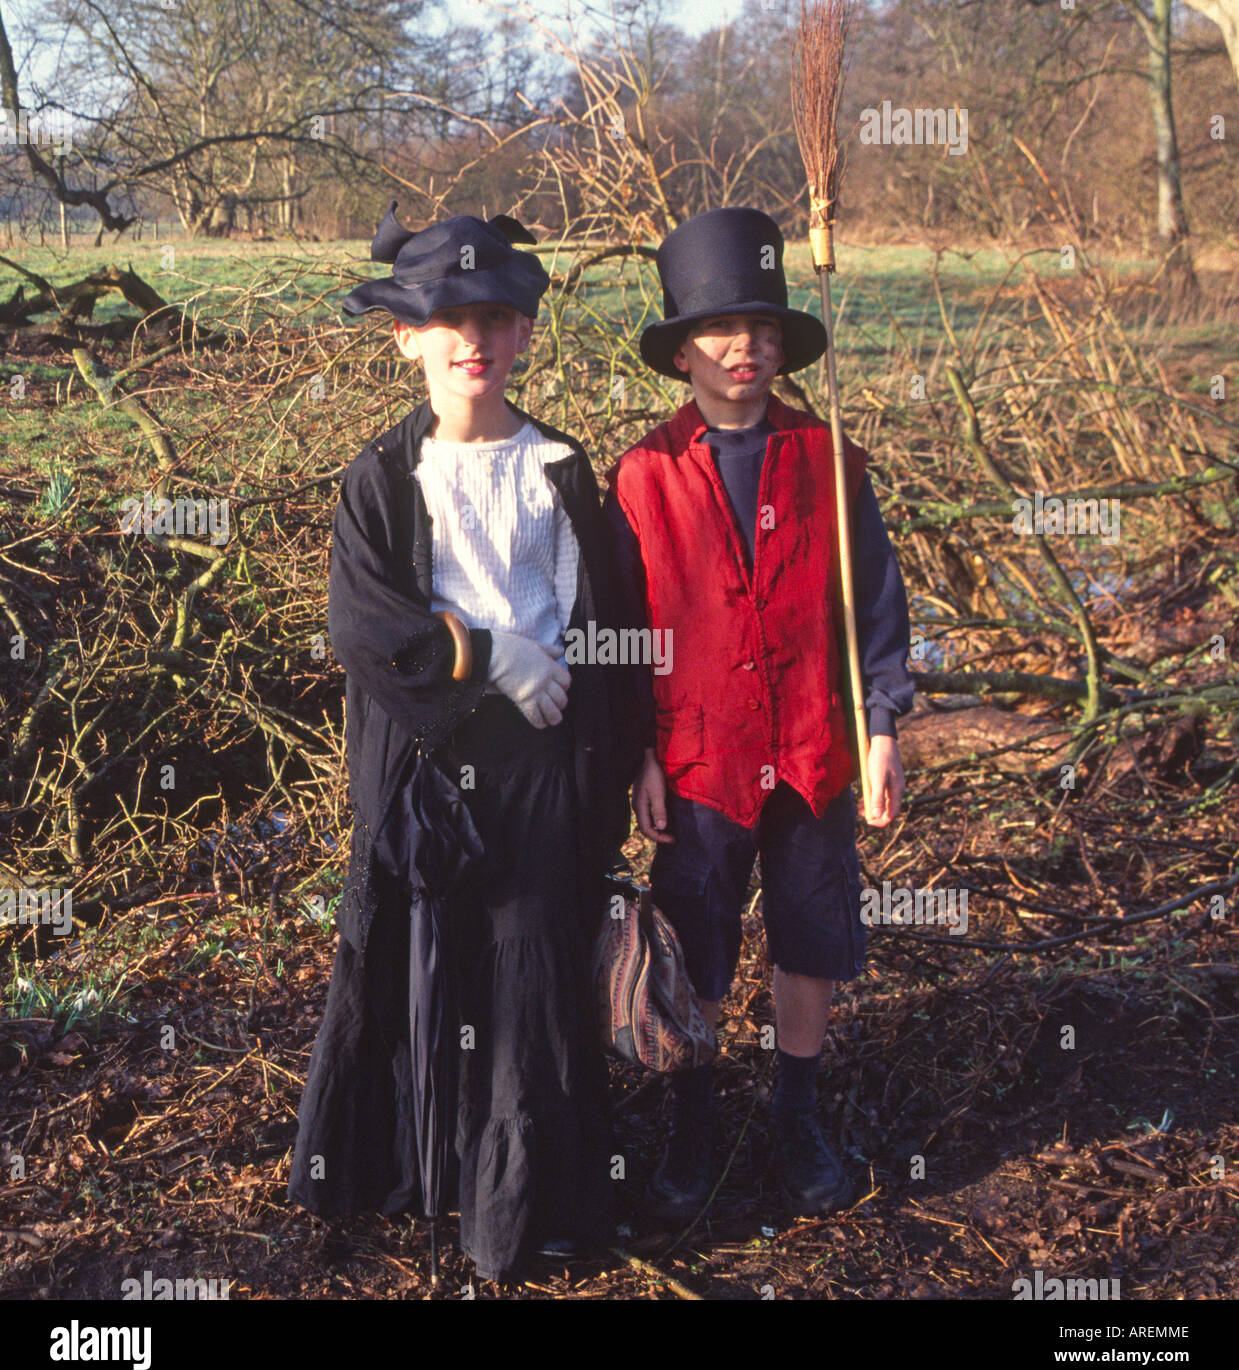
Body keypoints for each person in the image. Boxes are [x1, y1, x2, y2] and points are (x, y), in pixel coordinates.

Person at [287, 203, 633, 1283]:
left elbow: (618, 626)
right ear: (406, 339)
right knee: (421, 958)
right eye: (445, 320)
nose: (470, 340)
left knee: (529, 974)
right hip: (425, 762)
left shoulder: (568, 471)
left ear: (525, 332)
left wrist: (628, 752)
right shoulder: (380, 479)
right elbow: (366, 627)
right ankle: (410, 1170)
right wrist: (484, 653)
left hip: (543, 757)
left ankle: (523, 1201)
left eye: (492, 317)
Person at [603, 206, 915, 1221]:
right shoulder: (643, 476)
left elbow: (873, 603)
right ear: (684, 349)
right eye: (725, 329)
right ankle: (695, 1123)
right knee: (696, 941)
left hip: (817, 746)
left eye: (765, 328)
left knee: (810, 933)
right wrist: (639, 752)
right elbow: (623, 626)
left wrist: (882, 730)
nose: (747, 347)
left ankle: (796, 1113)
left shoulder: (830, 461)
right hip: (699, 760)